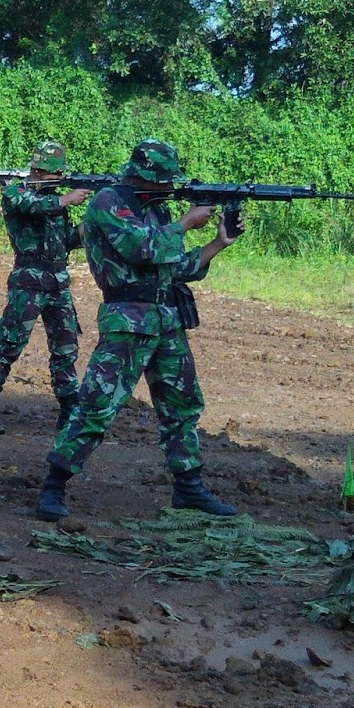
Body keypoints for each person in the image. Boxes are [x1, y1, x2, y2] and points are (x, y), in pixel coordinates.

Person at [37, 139, 239, 522]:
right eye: (165, 182)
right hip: (127, 320)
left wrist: (218, 243)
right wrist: (185, 223)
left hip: (166, 318)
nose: (170, 189)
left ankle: (189, 487)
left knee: (181, 407)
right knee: (97, 405)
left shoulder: (156, 208)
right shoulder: (109, 202)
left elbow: (176, 266)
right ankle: (55, 484)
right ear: (147, 177)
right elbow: (140, 249)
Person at [0, 141, 93, 434]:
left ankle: (69, 409)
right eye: (56, 175)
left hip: (58, 281)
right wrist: (65, 199)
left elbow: (67, 240)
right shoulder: (18, 192)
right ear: (40, 171)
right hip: (28, 281)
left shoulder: (54, 199)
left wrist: (91, 221)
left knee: (66, 349)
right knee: (10, 344)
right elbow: (26, 205)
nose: (59, 181)